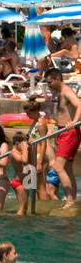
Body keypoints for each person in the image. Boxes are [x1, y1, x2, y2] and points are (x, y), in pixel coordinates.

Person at [46, 67, 81, 209]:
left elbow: (79, 104)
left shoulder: (66, 91)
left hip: (69, 133)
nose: (49, 85)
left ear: (57, 79)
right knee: (67, 168)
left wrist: (74, 121)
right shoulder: (59, 93)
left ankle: (70, 200)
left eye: (50, 82)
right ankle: (72, 198)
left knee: (58, 166)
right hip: (61, 132)